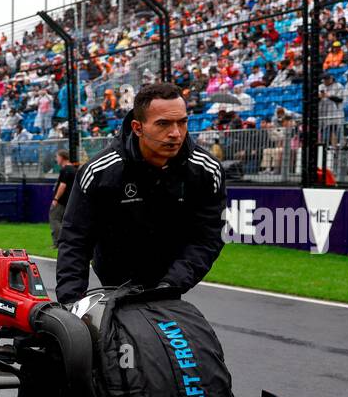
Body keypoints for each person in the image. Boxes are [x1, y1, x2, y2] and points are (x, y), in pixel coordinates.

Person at [54, 82, 226, 305]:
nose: (175, 133)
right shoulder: (100, 172)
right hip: (113, 279)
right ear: (137, 128)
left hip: (171, 283)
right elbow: (75, 239)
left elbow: (208, 236)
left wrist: (172, 283)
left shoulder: (206, 169)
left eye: (182, 122)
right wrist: (71, 303)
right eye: (163, 124)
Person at [48, 149, 77, 249]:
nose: (56, 159)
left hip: (62, 200)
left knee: (54, 218)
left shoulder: (66, 169)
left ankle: (59, 242)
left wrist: (56, 199)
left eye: (57, 157)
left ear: (62, 157)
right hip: (70, 200)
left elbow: (62, 186)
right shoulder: (73, 169)